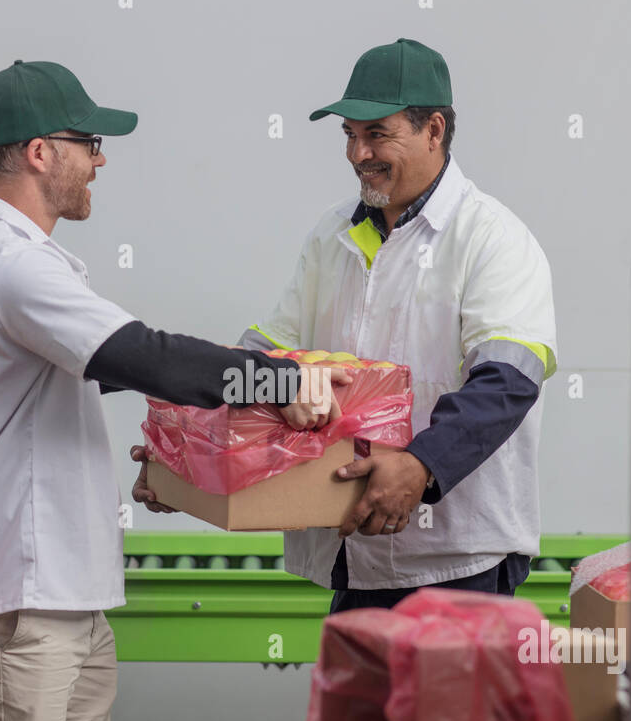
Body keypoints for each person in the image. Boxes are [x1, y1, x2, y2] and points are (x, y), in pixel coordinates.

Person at [0, 60, 342, 721]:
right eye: (89, 142)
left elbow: (111, 372)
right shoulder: (11, 266)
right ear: (42, 152)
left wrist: (193, 445)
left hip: (63, 599)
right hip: (19, 603)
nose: (101, 159)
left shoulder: (20, 263)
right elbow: (142, 355)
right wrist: (279, 382)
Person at [221, 38, 557, 613]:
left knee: (444, 708)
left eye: (376, 133)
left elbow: (506, 383)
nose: (357, 153)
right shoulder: (332, 237)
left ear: (434, 130)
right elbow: (265, 357)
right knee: (361, 708)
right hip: (354, 553)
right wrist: (185, 445)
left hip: (457, 562)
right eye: (349, 135)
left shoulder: (492, 238)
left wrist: (421, 466)